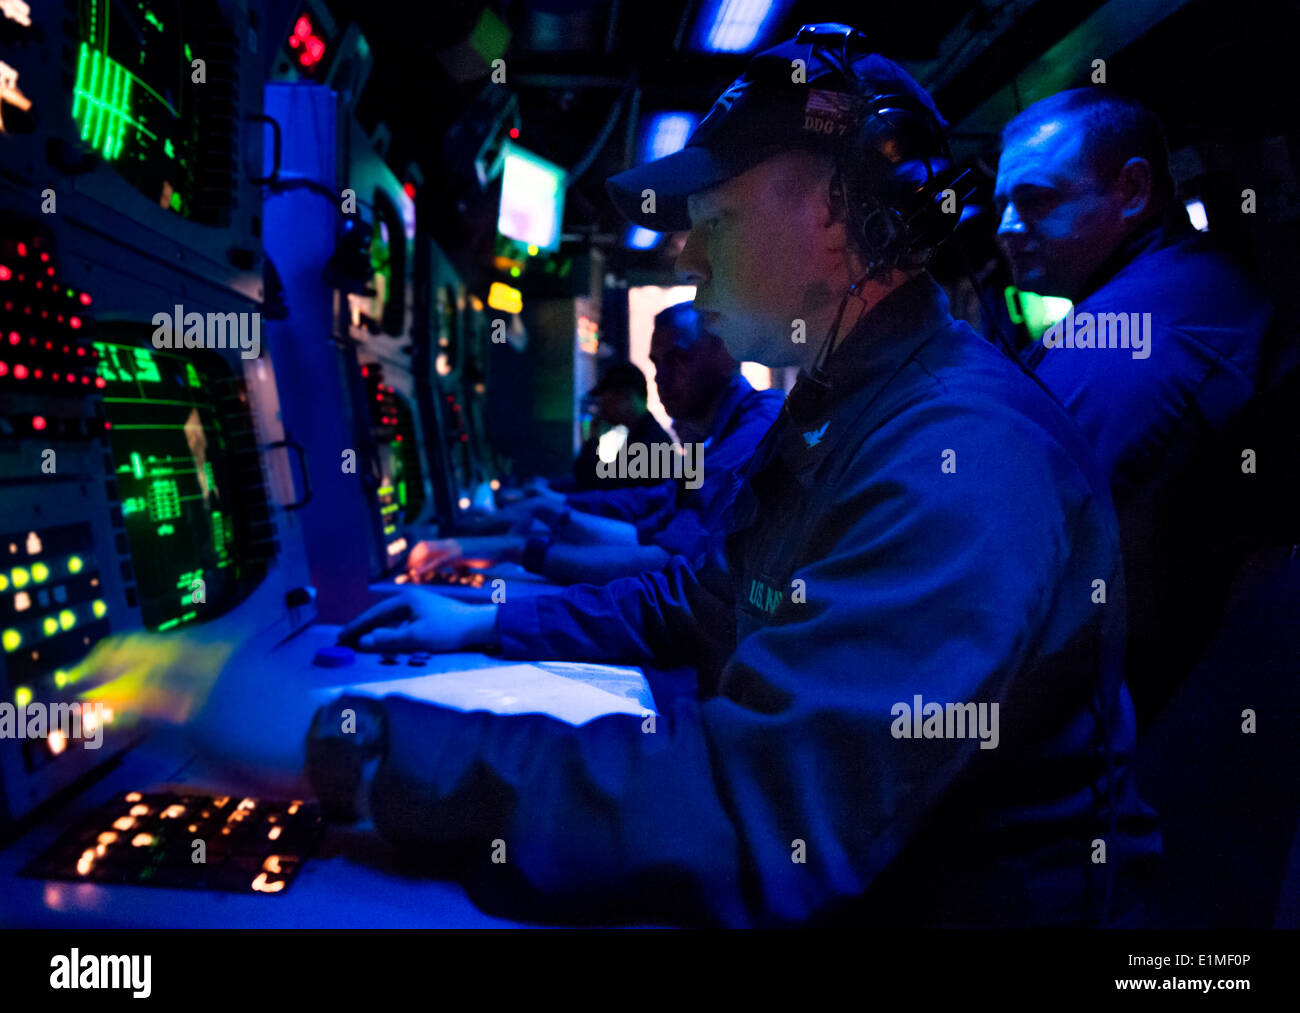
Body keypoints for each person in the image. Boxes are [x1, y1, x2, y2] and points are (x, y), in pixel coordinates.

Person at [325, 25, 1159, 927]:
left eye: (715, 220)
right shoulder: (843, 407)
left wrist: (360, 746)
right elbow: (700, 600)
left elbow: (761, 810)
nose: (686, 256)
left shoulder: (962, 453)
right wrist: (485, 618)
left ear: (841, 215)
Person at [993, 88, 1279, 730]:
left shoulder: (1110, 353)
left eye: (1036, 200)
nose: (1006, 229)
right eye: (1001, 206)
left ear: (1132, 189)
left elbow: (1022, 581)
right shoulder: (1204, 282)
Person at [409, 302, 783, 584]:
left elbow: (661, 557)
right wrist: (549, 509)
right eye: (656, 365)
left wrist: (522, 546)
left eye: (679, 359)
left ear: (728, 353)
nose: (662, 378)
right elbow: (643, 516)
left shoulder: (752, 427)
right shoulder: (708, 443)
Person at [567, 363, 673, 491]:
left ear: (627, 396)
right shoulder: (646, 436)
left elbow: (597, 486)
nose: (602, 408)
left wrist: (593, 438)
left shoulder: (650, 445)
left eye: (608, 399)